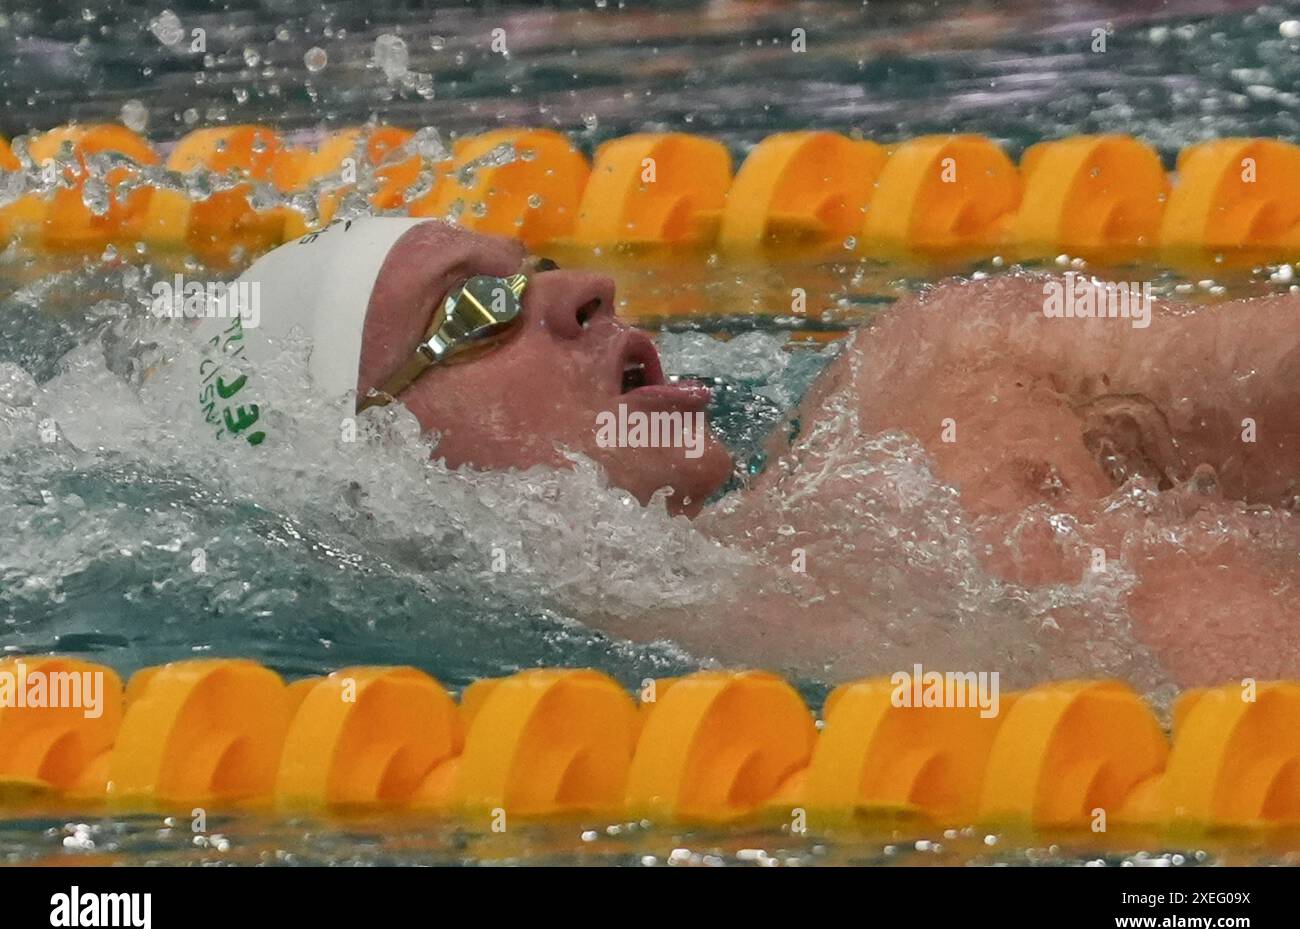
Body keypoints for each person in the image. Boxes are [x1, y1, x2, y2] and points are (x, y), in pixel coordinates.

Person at [201, 216, 1300, 688]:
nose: (580, 288)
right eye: (475, 312)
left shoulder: (944, 372)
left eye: (536, 265)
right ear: (362, 466)